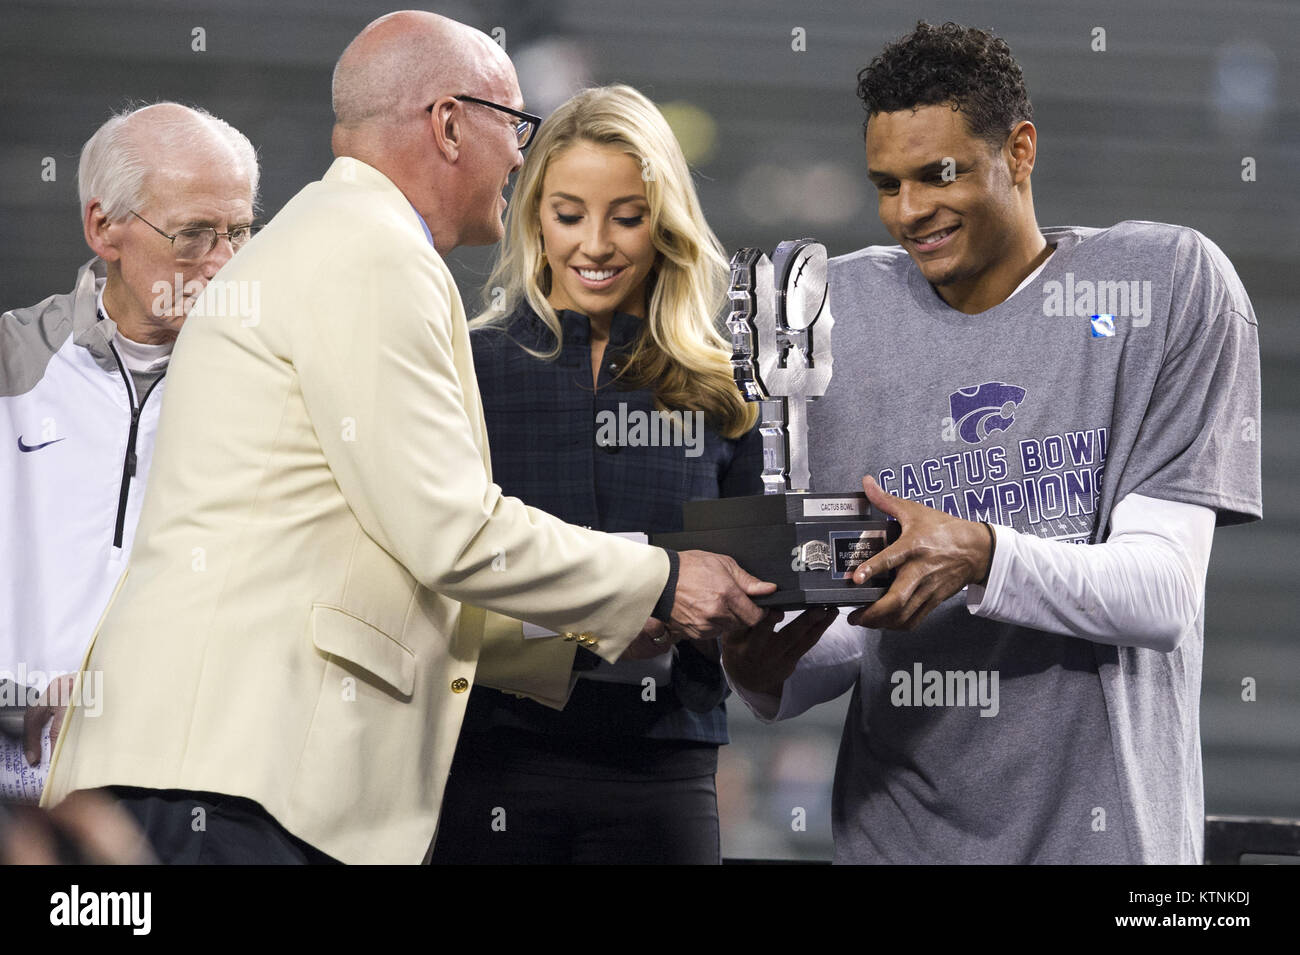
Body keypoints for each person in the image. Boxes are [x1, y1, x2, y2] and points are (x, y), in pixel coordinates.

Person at [42, 11, 771, 865]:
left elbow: (389, 565)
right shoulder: (374, 255)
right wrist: (661, 578)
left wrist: (585, 631)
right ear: (451, 123)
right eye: (516, 125)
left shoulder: (330, 241)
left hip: (208, 775)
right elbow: (450, 533)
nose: (520, 157)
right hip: (234, 783)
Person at [724, 20, 1261, 864]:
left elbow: (1162, 594)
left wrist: (978, 552)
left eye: (939, 175)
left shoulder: (1164, 287)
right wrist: (766, 671)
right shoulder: (838, 312)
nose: (910, 212)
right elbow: (851, 629)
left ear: (1020, 150)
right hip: (894, 838)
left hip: (1106, 846)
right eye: (887, 184)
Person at [431, 85, 762, 864]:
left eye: (628, 215)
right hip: (492, 752)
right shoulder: (467, 366)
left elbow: (749, 575)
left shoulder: (721, 382)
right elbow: (440, 566)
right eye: (569, 214)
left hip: (663, 757)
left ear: (665, 220)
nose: (596, 245)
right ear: (533, 215)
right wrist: (607, 609)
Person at [0, 103, 258, 802]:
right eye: (194, 235)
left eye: (239, 232)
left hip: (187, 779)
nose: (225, 262)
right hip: (15, 770)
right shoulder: (11, 361)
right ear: (102, 228)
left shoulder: (276, 389)